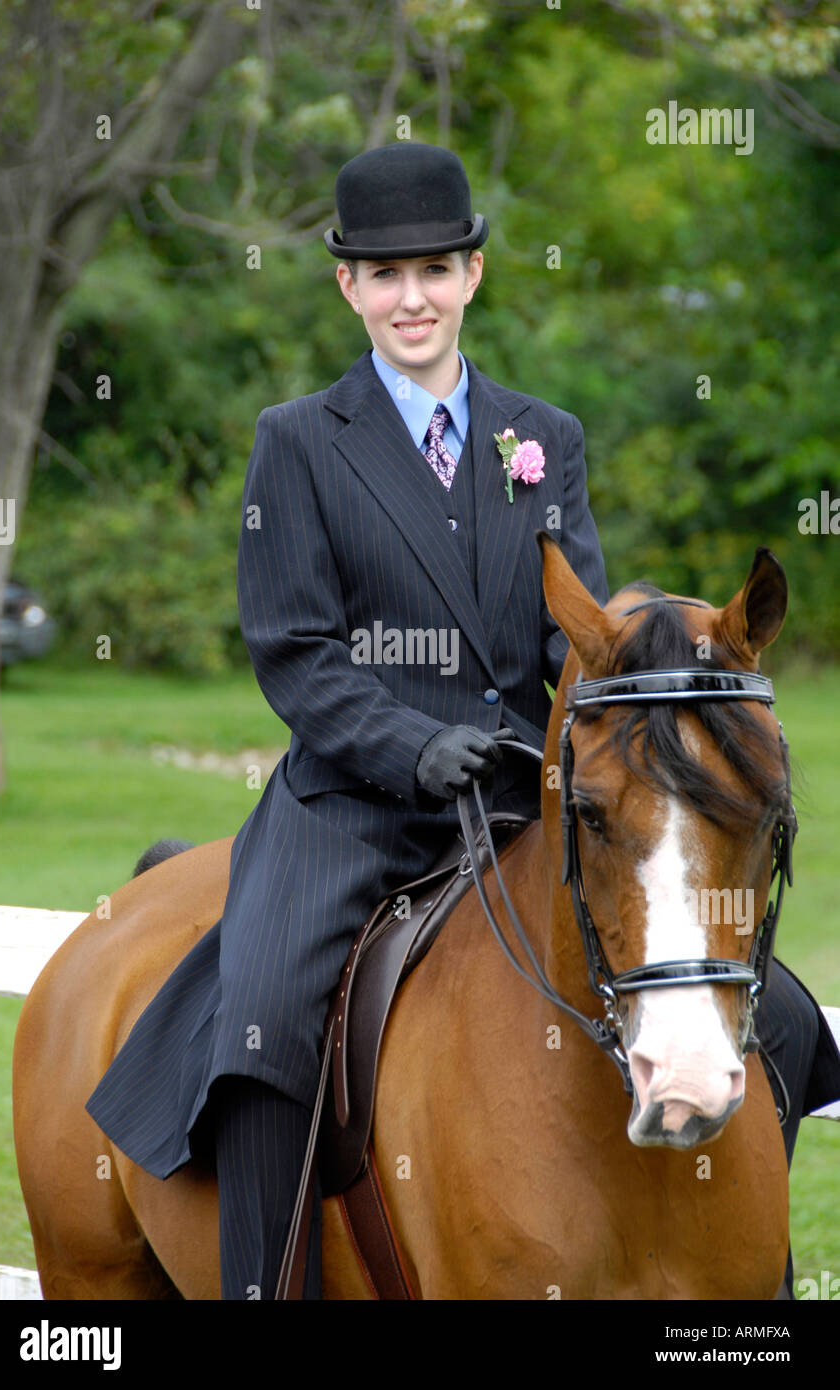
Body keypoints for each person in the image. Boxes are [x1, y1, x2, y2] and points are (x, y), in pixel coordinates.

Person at [86, 141, 840, 1302]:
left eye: (433, 269)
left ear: (473, 274)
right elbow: (295, 654)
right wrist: (409, 743)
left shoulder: (545, 437)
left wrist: (627, 700)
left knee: (772, 1005)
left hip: (511, 793)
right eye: (384, 276)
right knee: (264, 1026)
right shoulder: (297, 441)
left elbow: (571, 634)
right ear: (348, 288)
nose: (411, 297)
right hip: (347, 803)